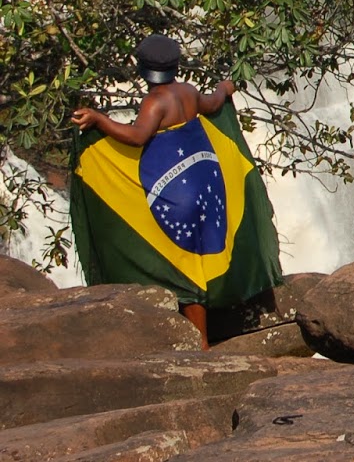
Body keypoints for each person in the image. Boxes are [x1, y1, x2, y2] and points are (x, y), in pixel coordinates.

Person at [70, 33, 267, 349]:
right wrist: (224, 88)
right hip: (207, 181)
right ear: (176, 66)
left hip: (178, 191)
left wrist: (99, 119)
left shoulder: (155, 101)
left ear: (143, 70)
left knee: (180, 260)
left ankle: (200, 343)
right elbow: (214, 102)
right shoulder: (188, 91)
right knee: (199, 253)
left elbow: (137, 136)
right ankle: (205, 326)